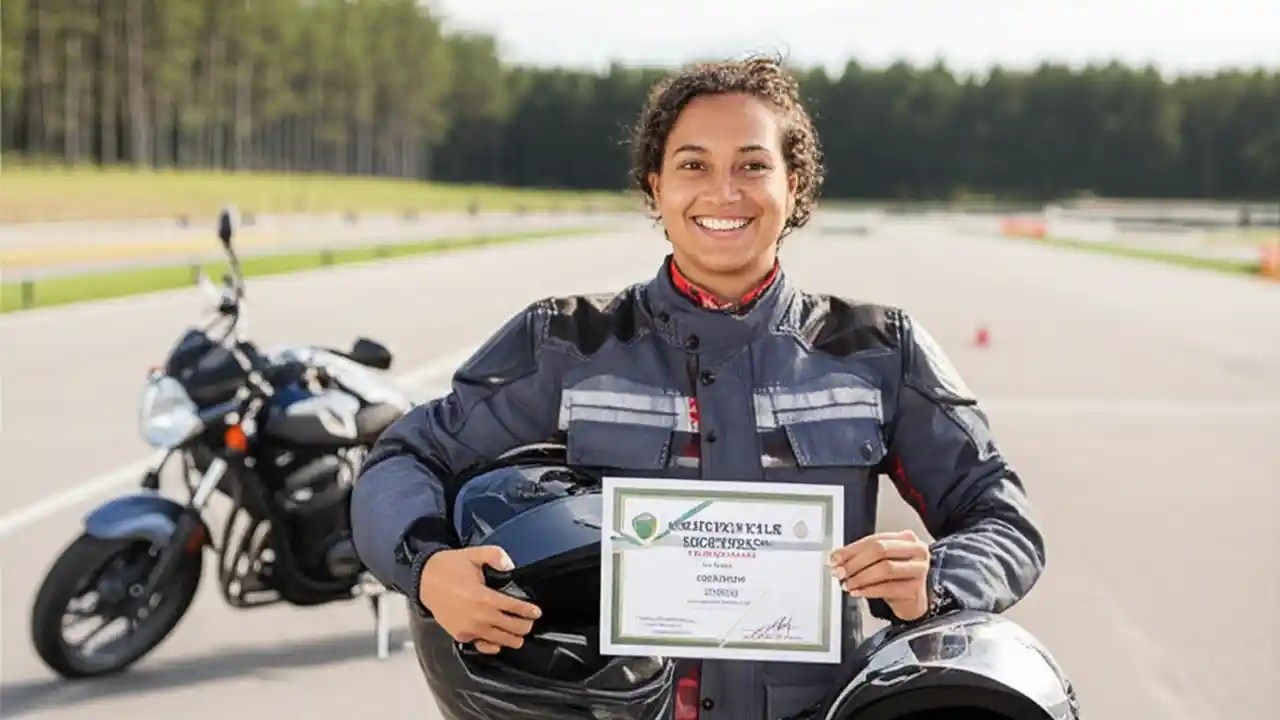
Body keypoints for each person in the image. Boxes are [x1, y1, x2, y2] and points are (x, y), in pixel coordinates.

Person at [350, 55, 1045, 719]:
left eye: (752, 165)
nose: (723, 192)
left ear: (793, 186)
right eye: (693, 165)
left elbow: (1005, 522)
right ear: (655, 185)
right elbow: (406, 459)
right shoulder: (566, 343)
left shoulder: (877, 351)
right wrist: (430, 569)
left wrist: (937, 577)